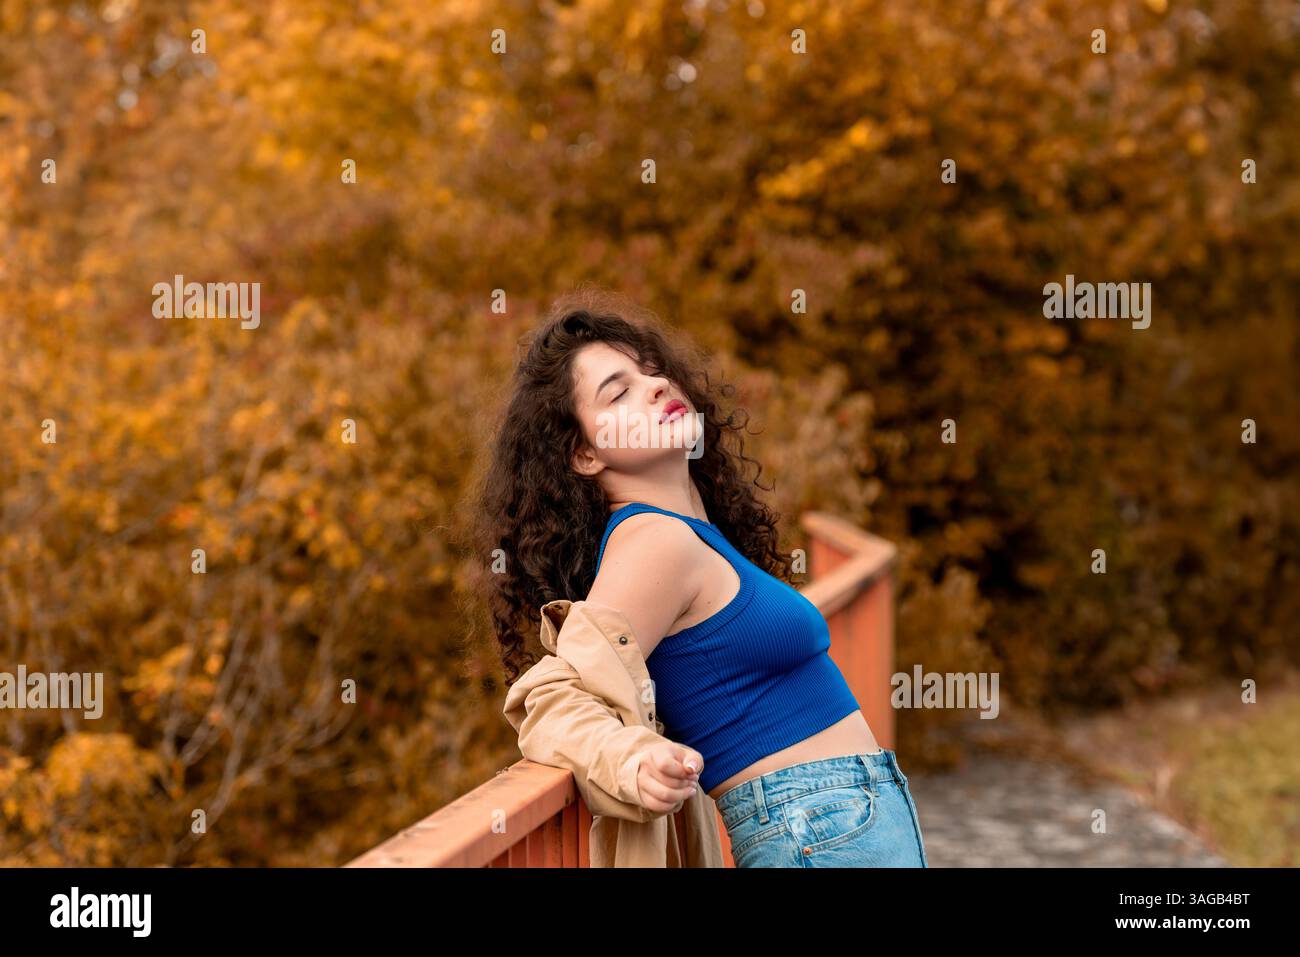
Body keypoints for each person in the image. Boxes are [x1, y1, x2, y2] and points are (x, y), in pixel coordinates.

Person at [468, 290, 928, 867]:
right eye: (619, 392)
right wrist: (629, 758)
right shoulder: (653, 542)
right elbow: (554, 692)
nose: (656, 386)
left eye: (652, 370)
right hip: (817, 824)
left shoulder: (687, 536)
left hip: (838, 820)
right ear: (584, 454)